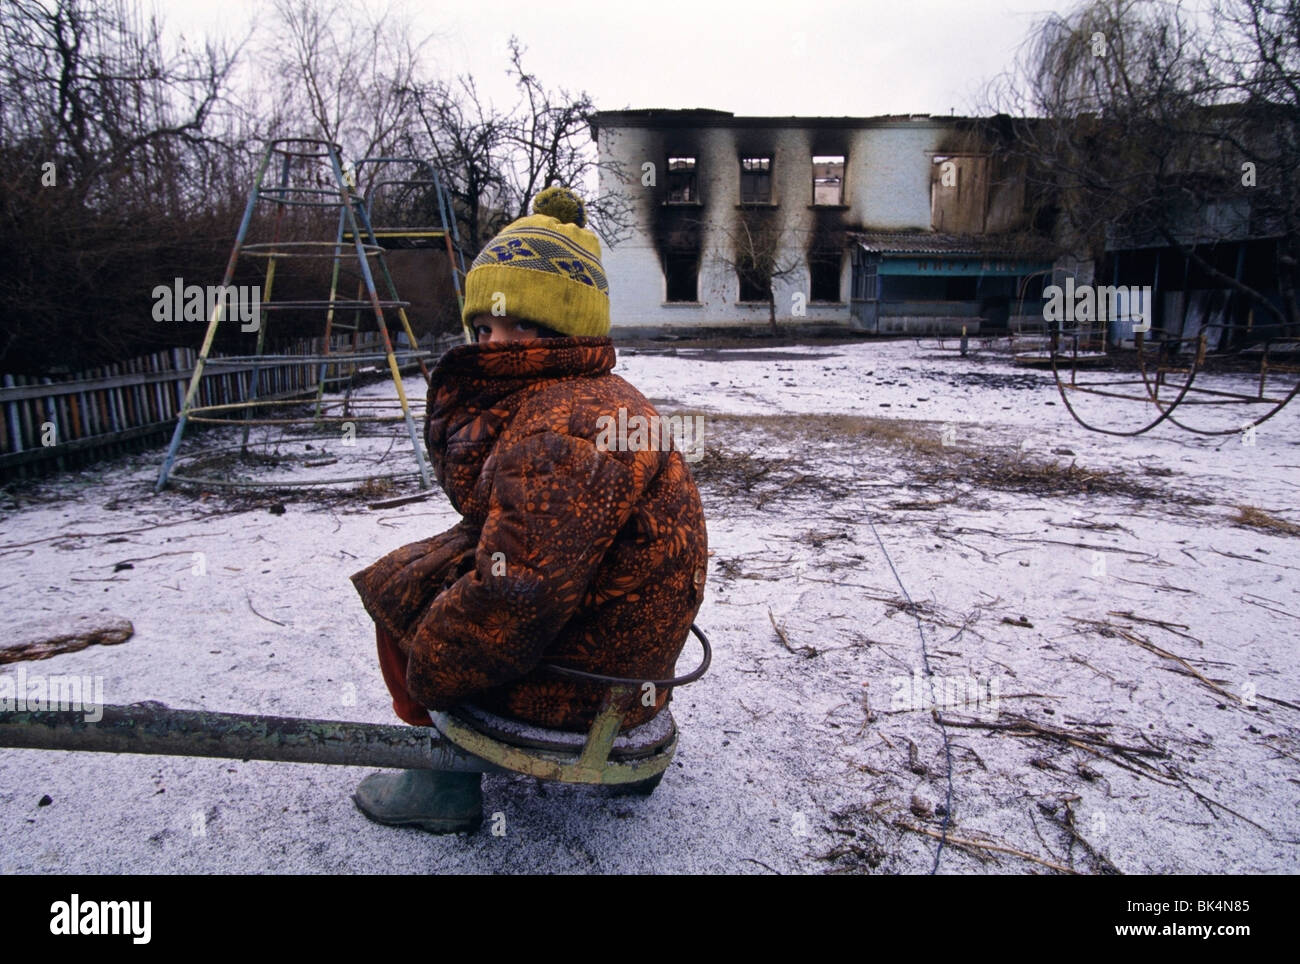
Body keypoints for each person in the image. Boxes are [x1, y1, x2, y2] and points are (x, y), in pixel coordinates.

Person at [348, 186, 709, 833]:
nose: (494, 343)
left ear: (568, 327)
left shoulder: (560, 430)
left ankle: (441, 779)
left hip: (584, 686)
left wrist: (434, 666)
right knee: (445, 562)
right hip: (630, 664)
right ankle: (629, 746)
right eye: (484, 328)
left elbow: (521, 593)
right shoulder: (600, 398)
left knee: (397, 599)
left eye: (520, 324)